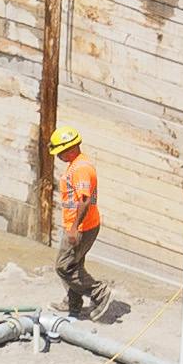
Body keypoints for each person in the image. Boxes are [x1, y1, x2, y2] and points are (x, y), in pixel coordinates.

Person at [48, 120, 111, 321]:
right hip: (80, 224)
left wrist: (74, 228)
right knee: (74, 265)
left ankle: (99, 292)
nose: (58, 156)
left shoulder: (81, 168)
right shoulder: (76, 165)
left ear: (71, 148)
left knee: (64, 266)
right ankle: (73, 303)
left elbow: (84, 200)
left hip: (82, 227)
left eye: (60, 152)